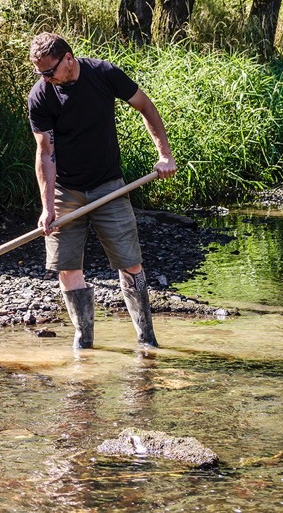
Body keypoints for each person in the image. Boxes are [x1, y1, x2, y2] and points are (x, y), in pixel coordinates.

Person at [28, 31, 176, 352]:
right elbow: (45, 154)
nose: (45, 78)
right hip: (66, 189)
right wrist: (47, 207)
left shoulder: (104, 74)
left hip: (108, 184)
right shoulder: (41, 96)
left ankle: (146, 338)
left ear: (68, 59)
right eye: (39, 72)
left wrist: (164, 154)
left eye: (49, 71)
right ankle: (84, 339)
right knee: (67, 266)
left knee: (130, 262)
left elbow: (146, 106)